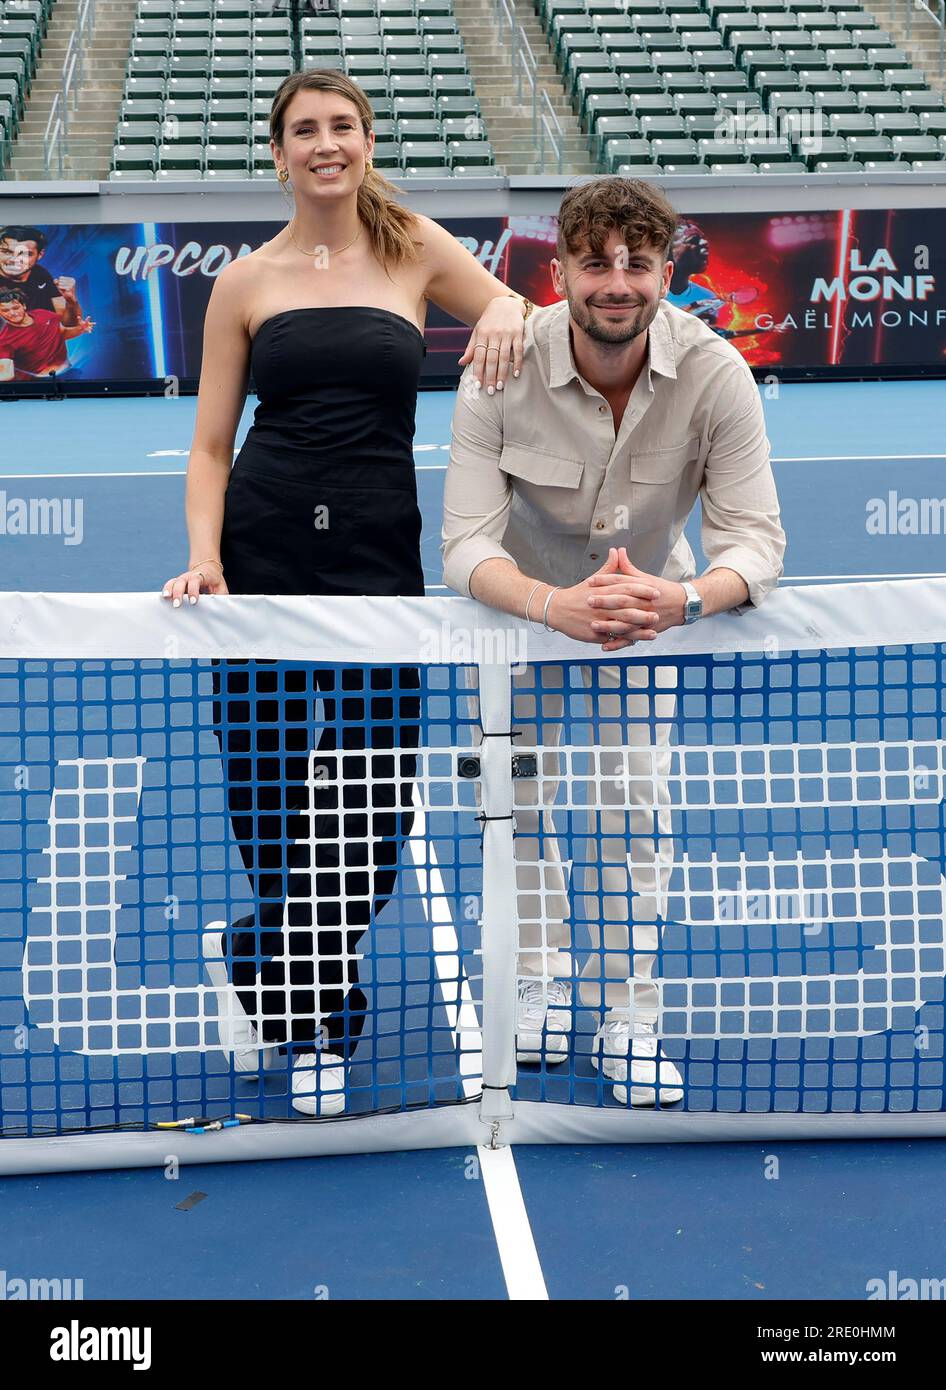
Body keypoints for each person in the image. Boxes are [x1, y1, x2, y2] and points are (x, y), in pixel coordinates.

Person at [161, 67, 534, 1116]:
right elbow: (207, 446)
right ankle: (325, 1007)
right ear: (276, 155)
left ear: (366, 142)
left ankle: (255, 960)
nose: (325, 143)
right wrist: (208, 558)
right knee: (269, 798)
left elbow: (509, 304)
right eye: (304, 131)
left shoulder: (413, 246)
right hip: (263, 553)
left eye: (343, 126)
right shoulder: (244, 283)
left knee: (369, 805)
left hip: (378, 559)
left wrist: (502, 311)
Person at [442, 177, 786, 1107]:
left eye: (638, 263)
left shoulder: (716, 374)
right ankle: (539, 979)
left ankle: (628, 1012)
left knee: (631, 811)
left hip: (645, 619)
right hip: (520, 616)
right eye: (595, 262)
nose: (617, 283)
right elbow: (465, 541)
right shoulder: (499, 368)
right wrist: (553, 606)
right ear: (560, 271)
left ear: (665, 271)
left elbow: (757, 539)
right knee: (514, 807)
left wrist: (683, 599)